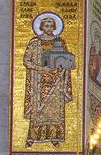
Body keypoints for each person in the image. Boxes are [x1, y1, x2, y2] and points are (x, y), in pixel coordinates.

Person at [23, 13, 74, 146]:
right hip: (38, 82)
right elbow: (26, 61)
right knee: (38, 111)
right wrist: (41, 68)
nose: (49, 28)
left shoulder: (60, 42)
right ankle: (33, 137)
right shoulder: (34, 42)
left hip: (56, 82)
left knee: (55, 111)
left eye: (51, 25)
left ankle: (54, 137)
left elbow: (66, 60)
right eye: (46, 25)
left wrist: (64, 67)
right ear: (41, 27)